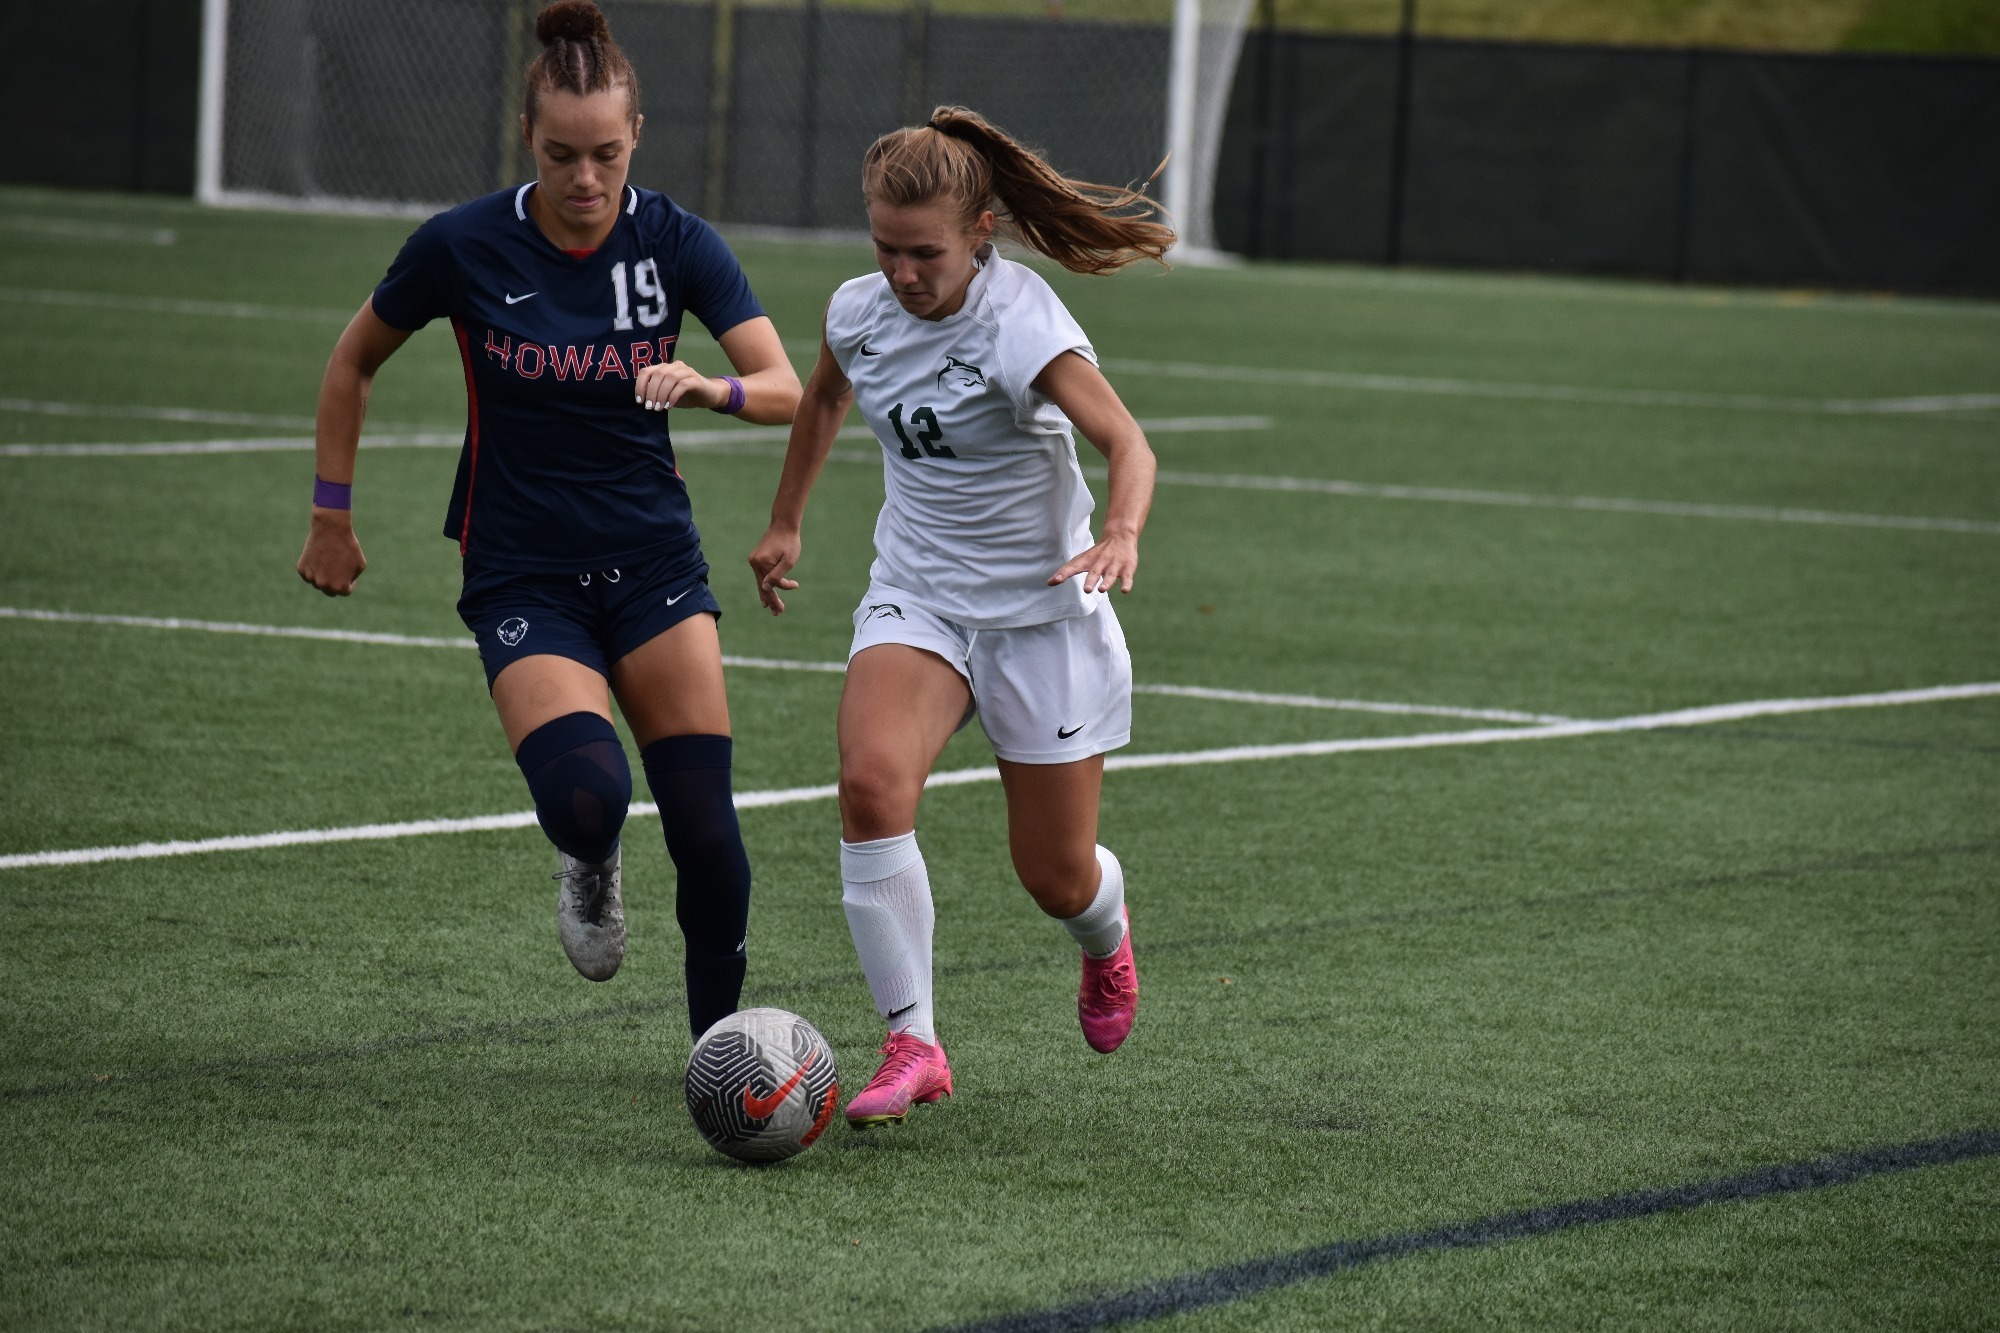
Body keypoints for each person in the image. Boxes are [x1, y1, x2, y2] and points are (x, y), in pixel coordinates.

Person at [296, 1, 800, 1039]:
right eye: (563, 154)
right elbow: (352, 361)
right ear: (528, 138)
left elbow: (785, 385)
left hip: (653, 563)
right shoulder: (462, 245)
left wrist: (711, 390)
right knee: (585, 796)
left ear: (636, 140)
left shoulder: (673, 242)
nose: (585, 180)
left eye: (606, 155)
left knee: (707, 829)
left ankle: (721, 1053)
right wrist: (330, 515)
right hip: (523, 570)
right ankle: (589, 860)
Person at [747, 106, 1170, 1127]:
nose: (901, 273)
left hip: (1041, 613)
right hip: (920, 593)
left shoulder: (1020, 318)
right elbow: (823, 401)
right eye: (885, 248)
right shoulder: (855, 311)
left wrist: (1119, 530)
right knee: (868, 784)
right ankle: (913, 1041)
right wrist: (785, 524)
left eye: (924, 253)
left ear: (979, 231)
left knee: (1055, 874)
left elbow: (1127, 441)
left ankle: (1103, 941)